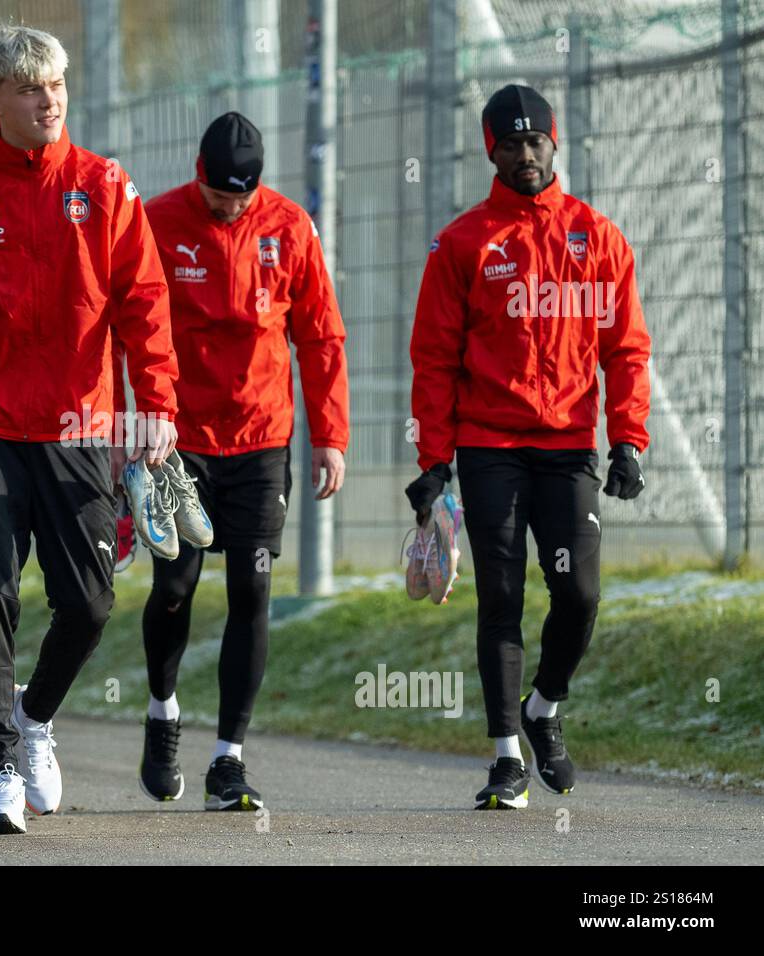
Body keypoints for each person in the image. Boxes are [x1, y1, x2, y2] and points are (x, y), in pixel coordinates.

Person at [0, 25, 179, 834]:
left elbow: (145, 302)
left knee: (88, 604)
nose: (47, 99)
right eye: (28, 89)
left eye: (54, 85)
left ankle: (35, 715)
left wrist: (155, 399)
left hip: (79, 425)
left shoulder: (104, 185)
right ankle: (2, 776)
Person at [406, 85, 651, 810]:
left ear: (554, 143)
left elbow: (627, 349)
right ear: (491, 150)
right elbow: (434, 358)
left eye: (534, 142)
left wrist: (628, 441)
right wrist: (434, 461)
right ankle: (505, 757)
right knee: (502, 597)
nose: (524, 155)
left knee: (578, 593)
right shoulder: (463, 243)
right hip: (490, 446)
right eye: (508, 144)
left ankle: (545, 705)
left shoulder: (596, 237)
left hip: (570, 445)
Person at [125, 113, 349, 810]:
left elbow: (320, 337)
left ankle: (229, 759)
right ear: (198, 172)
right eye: (217, 195)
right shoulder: (157, 221)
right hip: (178, 436)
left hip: (260, 435)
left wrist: (331, 435)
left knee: (252, 591)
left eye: (239, 199)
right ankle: (163, 713)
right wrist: (125, 421)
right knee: (175, 584)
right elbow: (124, 321)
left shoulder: (290, 227)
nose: (228, 208)